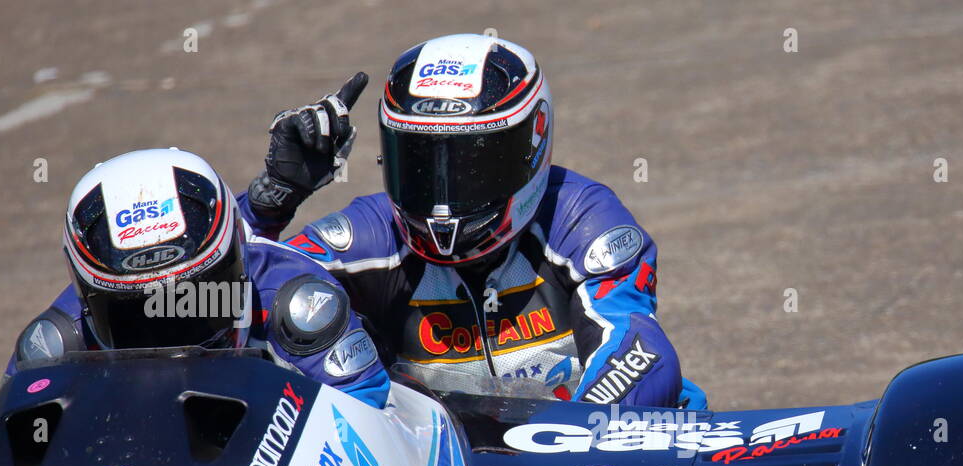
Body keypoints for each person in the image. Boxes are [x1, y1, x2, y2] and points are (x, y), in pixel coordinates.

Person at [242, 33, 690, 407]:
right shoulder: (366, 237)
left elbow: (640, 351)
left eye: (471, 167)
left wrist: (568, 444)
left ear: (532, 144)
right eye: (420, 165)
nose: (443, 200)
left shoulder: (580, 219)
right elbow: (226, 300)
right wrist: (270, 202)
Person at [9, 148, 390, 408]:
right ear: (86, 296)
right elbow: (16, 453)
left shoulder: (296, 304)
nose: (170, 331)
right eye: (137, 314)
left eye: (196, 298)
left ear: (238, 255)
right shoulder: (53, 347)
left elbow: (368, 409)